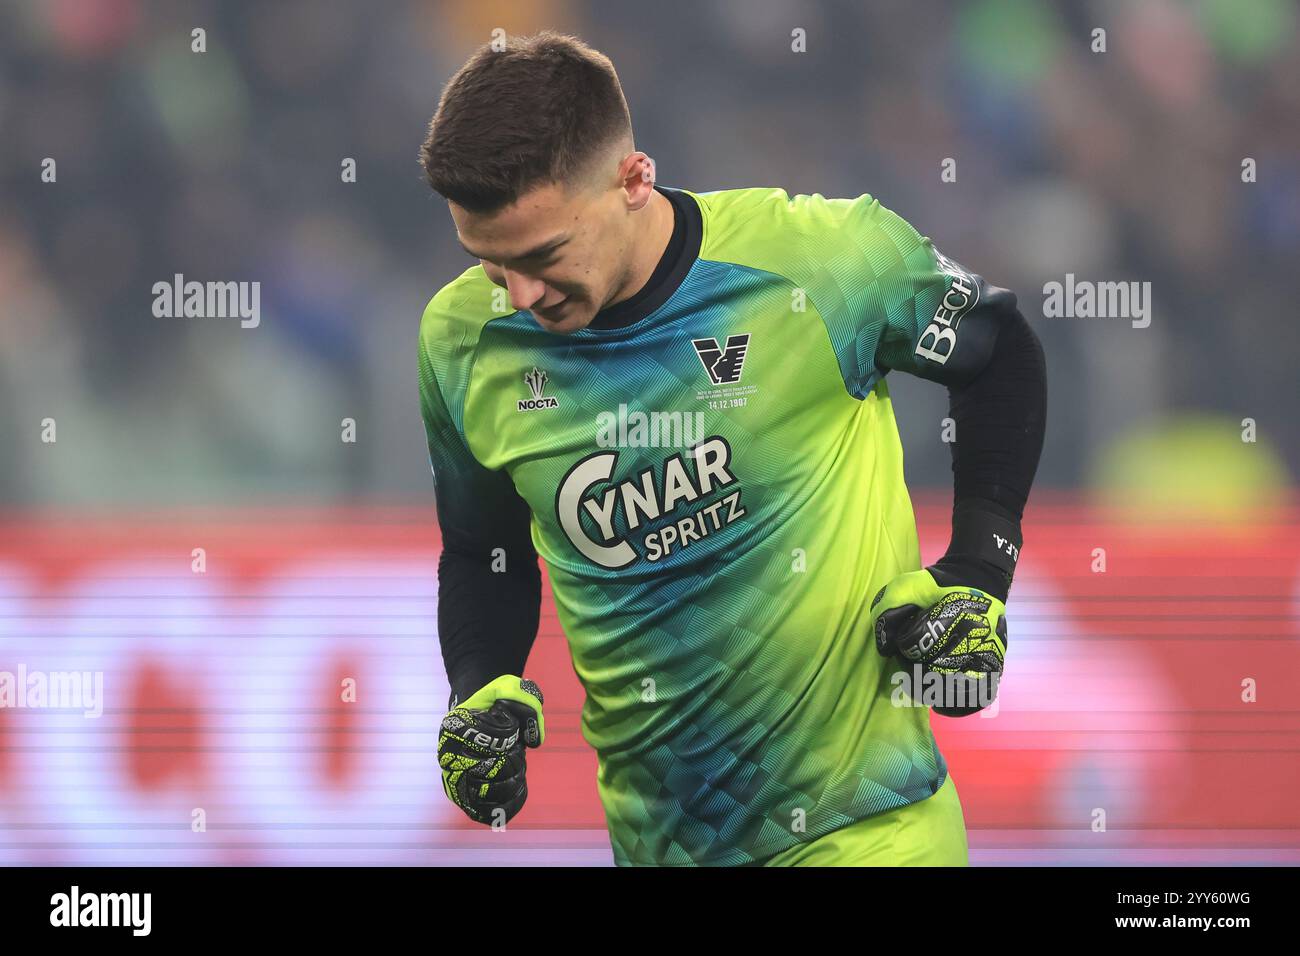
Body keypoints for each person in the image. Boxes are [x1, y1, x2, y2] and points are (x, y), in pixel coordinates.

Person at [417, 31, 1046, 866]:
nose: (522, 293)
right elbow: (481, 547)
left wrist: (977, 574)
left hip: (869, 828)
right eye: (491, 264)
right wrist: (479, 687)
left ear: (633, 182)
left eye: (543, 256)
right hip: (660, 847)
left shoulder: (820, 262)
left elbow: (999, 352)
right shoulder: (462, 341)